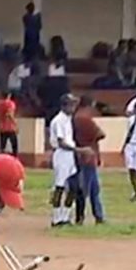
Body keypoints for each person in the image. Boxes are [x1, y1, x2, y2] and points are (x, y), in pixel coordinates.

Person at [71, 95, 107, 225]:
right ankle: (89, 216)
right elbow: (100, 134)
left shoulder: (75, 118)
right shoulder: (84, 119)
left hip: (82, 156)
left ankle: (97, 216)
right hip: (88, 156)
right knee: (89, 189)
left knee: (91, 188)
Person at [48, 93, 78, 227]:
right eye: (71, 105)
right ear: (64, 105)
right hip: (62, 154)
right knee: (59, 186)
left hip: (70, 155)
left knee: (72, 187)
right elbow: (61, 142)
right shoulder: (58, 120)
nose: (73, 107)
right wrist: (78, 150)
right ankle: (56, 218)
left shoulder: (68, 119)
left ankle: (65, 216)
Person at [0, 89, 19, 156]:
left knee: (2, 145)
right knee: (14, 145)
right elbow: (10, 114)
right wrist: (15, 123)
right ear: (9, 95)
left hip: (1, 127)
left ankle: (0, 158)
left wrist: (0, 117)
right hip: (10, 127)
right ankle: (14, 159)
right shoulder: (10, 103)